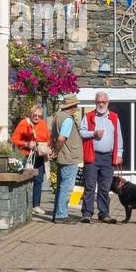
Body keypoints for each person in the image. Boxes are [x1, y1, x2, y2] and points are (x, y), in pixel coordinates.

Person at [79, 91, 123, 224]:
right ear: (95, 102)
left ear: (108, 103)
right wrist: (94, 133)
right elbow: (81, 132)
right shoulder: (88, 116)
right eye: (99, 101)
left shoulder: (114, 117)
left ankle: (104, 214)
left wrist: (119, 154)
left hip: (108, 157)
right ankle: (87, 214)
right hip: (92, 156)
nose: (101, 104)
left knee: (105, 187)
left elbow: (118, 137)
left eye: (104, 102)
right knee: (90, 186)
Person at [11, 103, 51, 215]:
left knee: (39, 181)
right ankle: (24, 205)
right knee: (26, 180)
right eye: (35, 115)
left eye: (39, 115)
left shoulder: (43, 124)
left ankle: (36, 205)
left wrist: (46, 147)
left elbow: (48, 138)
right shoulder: (24, 123)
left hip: (39, 156)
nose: (37, 117)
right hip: (26, 156)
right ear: (31, 114)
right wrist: (26, 144)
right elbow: (14, 139)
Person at [49, 94, 84, 223]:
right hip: (69, 157)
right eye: (76, 105)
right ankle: (61, 215)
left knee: (60, 187)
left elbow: (53, 136)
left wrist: (54, 151)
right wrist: (57, 151)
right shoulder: (68, 119)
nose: (77, 107)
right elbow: (61, 138)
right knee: (66, 187)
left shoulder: (57, 116)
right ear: (72, 106)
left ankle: (57, 213)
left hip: (63, 157)